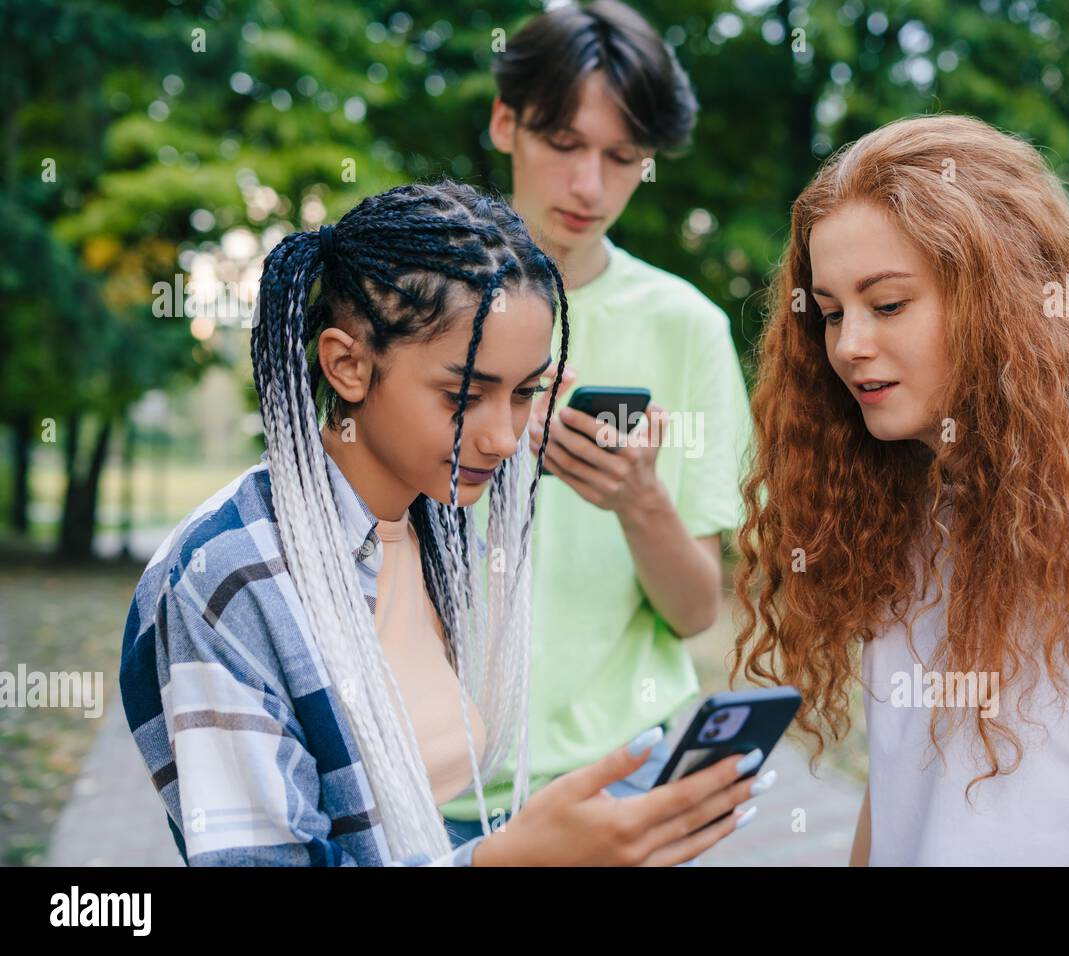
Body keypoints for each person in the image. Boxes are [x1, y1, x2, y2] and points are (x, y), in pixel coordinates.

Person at [119, 180, 767, 866]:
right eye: (464, 395)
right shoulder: (228, 576)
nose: (504, 437)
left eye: (525, 394)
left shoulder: (442, 524)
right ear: (346, 364)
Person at [733, 115, 1069, 866]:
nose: (849, 344)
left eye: (888, 304)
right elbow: (904, 795)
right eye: (832, 313)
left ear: (1004, 301)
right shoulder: (908, 506)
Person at [438, 0, 758, 848]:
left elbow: (695, 614)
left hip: (625, 770)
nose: (590, 187)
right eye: (566, 145)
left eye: (624, 158)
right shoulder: (417, 303)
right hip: (431, 777)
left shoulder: (687, 325)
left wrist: (640, 499)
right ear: (506, 122)